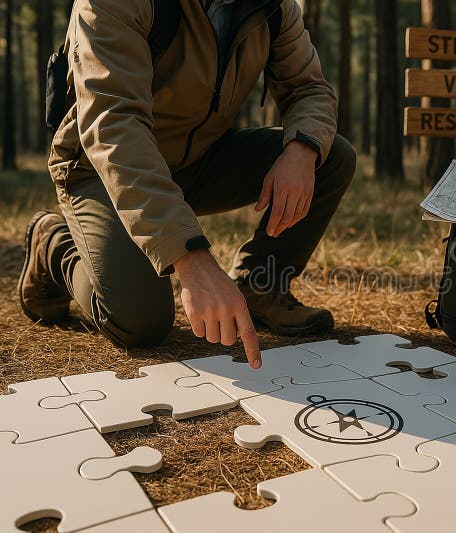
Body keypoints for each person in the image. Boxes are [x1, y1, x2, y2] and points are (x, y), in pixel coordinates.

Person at [17, 0, 356, 370]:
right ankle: (52, 243)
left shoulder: (273, 6)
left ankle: (259, 284)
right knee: (140, 322)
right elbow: (114, 126)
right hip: (101, 168)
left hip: (196, 161)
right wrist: (190, 257)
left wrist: (302, 149)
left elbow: (309, 88)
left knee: (329, 155)